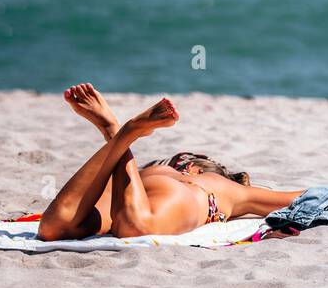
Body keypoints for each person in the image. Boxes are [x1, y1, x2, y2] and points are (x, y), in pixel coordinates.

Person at [37, 84, 304, 241]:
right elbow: (294, 199)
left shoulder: (150, 173)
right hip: (140, 213)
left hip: (121, 198)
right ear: (195, 170)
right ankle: (119, 132)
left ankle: (117, 133)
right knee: (136, 226)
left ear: (190, 167)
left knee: (52, 227)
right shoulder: (221, 187)